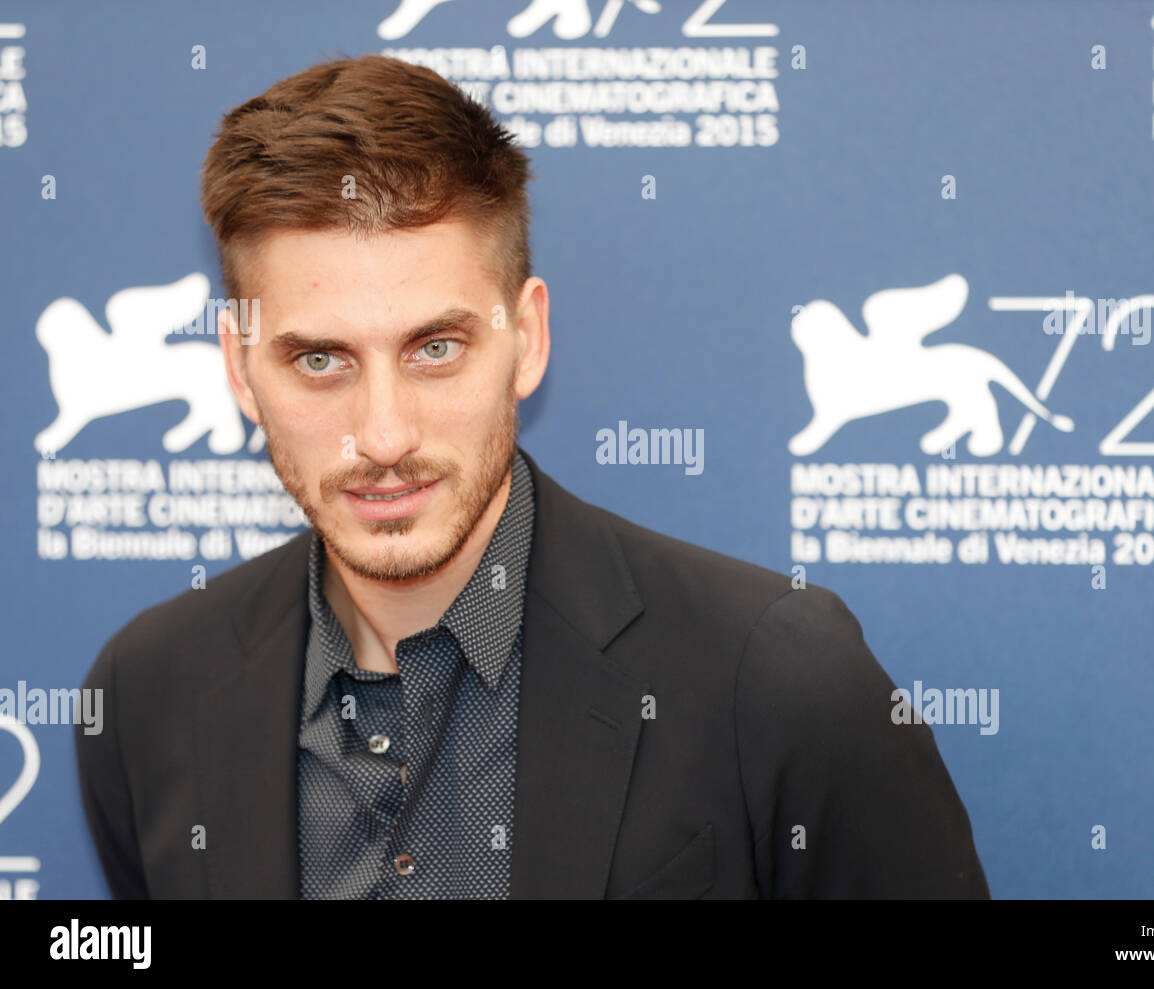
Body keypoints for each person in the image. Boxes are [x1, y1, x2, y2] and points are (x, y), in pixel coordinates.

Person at [75, 54, 990, 899]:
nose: (383, 434)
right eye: (320, 360)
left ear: (529, 339)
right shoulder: (149, 694)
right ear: (239, 370)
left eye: (435, 348)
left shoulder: (781, 680)